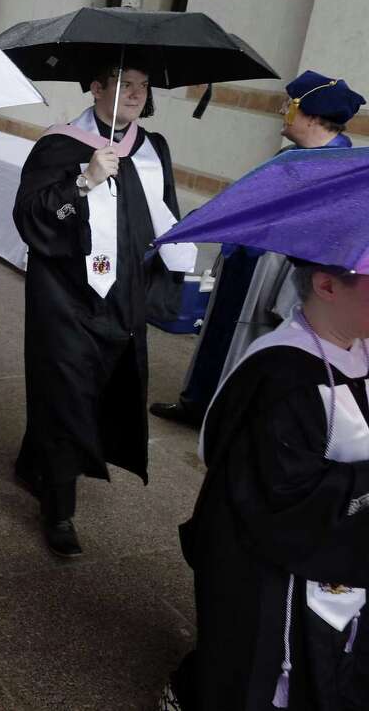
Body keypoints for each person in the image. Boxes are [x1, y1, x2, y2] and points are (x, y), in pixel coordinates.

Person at [164, 262, 369, 710]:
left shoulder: (357, 348)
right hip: (273, 556)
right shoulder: (283, 375)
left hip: (333, 548)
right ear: (327, 284)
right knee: (260, 666)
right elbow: (285, 499)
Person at [12, 57, 192, 558]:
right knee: (65, 388)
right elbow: (31, 217)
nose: (134, 94)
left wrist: (165, 278)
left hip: (123, 295)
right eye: (122, 83)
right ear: (95, 88)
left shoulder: (153, 149)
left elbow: (165, 217)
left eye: (141, 85)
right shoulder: (60, 146)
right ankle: (60, 508)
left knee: (97, 389)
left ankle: (35, 462)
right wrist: (84, 181)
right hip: (65, 295)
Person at [151, 71, 364, 427]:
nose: (283, 110)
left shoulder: (338, 168)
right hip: (245, 260)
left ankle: (230, 420)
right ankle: (198, 404)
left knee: (255, 341)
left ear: (309, 114)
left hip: (278, 274)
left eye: (290, 104)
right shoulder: (293, 156)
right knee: (218, 332)